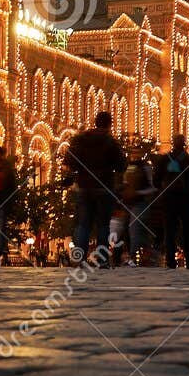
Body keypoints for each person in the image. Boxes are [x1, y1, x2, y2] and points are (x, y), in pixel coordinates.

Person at [65, 111, 127, 266]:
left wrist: (81, 170)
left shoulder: (81, 139)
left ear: (95, 122)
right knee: (103, 225)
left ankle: (79, 258)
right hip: (104, 186)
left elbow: (69, 159)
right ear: (109, 124)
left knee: (83, 224)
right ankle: (102, 259)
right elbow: (122, 165)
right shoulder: (111, 142)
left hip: (84, 185)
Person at [153, 137, 189, 269]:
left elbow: (156, 179)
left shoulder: (164, 159)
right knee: (188, 230)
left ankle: (170, 261)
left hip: (169, 198)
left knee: (169, 230)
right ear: (184, 144)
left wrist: (163, 188)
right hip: (186, 197)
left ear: (173, 144)